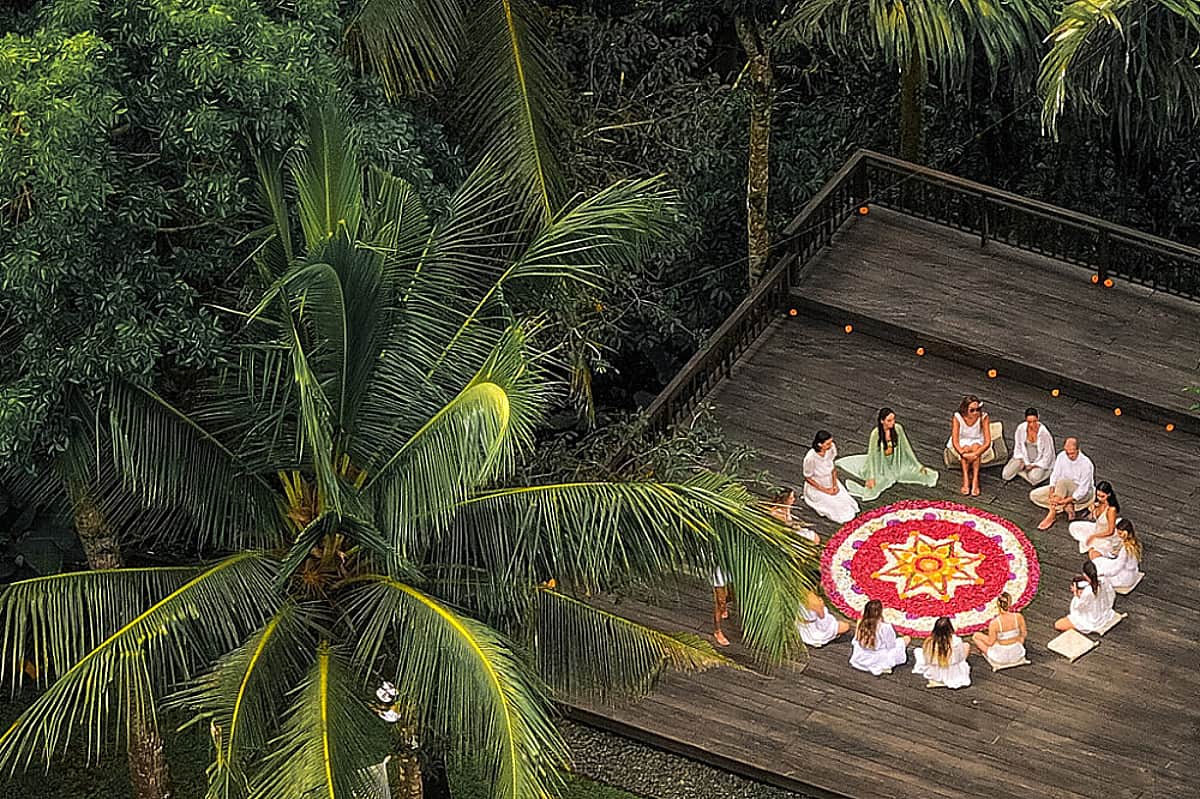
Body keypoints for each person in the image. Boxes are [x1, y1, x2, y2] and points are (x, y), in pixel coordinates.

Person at [837, 407, 938, 501]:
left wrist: (918, 465)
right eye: (889, 420)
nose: (892, 422)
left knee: (918, 474)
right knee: (878, 484)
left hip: (896, 462)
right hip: (881, 465)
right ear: (882, 421)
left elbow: (907, 448)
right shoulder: (875, 434)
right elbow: (872, 455)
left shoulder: (898, 428)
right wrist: (871, 477)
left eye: (893, 419)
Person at [1030, 437, 1095, 530]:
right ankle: (1066, 507)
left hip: (1080, 493)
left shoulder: (1086, 464)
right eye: (1067, 453)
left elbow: (1083, 490)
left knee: (1062, 483)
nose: (1070, 456)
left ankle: (1052, 514)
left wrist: (1063, 501)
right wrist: (1051, 492)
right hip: (1061, 490)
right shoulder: (1061, 456)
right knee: (1034, 495)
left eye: (1072, 453)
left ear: (1078, 450)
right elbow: (1055, 475)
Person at [803, 431, 860, 524]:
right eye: (827, 444)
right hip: (818, 485)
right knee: (834, 506)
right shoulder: (810, 458)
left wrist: (835, 484)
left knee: (845, 501)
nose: (831, 445)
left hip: (830, 480)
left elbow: (832, 467)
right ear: (820, 444)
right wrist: (825, 490)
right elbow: (808, 478)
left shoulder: (831, 448)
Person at [945, 395, 991, 496]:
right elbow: (955, 440)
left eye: (977, 409)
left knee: (976, 447)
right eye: (972, 410)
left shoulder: (983, 417)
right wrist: (963, 453)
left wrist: (975, 454)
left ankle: (975, 479)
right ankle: (966, 478)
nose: (975, 413)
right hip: (962, 440)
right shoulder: (958, 417)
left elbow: (987, 441)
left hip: (977, 439)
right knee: (965, 448)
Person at [1054, 560, 1117, 633]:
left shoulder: (1088, 591)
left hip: (1093, 620)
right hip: (1105, 612)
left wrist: (1076, 593)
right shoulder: (1103, 580)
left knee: (1058, 625)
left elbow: (1078, 607)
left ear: (1085, 574)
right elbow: (1111, 594)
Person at [849, 599, 909, 675]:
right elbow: (891, 645)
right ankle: (883, 665)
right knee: (906, 639)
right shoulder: (885, 627)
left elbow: (856, 640)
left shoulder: (860, 622)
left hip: (860, 657)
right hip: (878, 657)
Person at [913, 617, 971, 688]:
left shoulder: (929, 641)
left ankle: (937, 680)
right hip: (953, 673)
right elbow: (960, 658)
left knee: (918, 651)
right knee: (966, 645)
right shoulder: (956, 641)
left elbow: (926, 658)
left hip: (935, 672)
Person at [971, 592, 1027, 666]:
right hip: (1017, 653)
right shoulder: (1018, 617)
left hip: (1001, 657)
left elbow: (990, 642)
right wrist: (1016, 642)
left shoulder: (995, 623)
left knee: (976, 637)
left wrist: (979, 636)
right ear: (1009, 603)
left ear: (998, 605)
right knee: (999, 640)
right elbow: (1023, 634)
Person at [1002, 408, 1055, 485]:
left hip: (1038, 462)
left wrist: (1033, 465)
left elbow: (1048, 455)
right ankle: (1023, 471)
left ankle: (1022, 472)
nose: (1032, 425)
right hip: (1024, 458)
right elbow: (1018, 447)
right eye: (1029, 422)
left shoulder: (1045, 434)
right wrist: (1023, 461)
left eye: (1034, 421)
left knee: (1034, 477)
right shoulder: (1021, 428)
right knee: (1006, 474)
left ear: (1038, 418)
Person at [1069, 481, 1120, 555]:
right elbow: (1091, 518)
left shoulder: (1111, 510)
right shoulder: (1098, 503)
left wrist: (1094, 536)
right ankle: (1091, 542)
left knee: (1096, 544)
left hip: (1106, 535)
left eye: (1102, 496)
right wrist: (1092, 510)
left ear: (1108, 495)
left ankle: (1094, 544)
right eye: (1098, 495)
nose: (1099, 498)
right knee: (1073, 526)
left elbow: (1110, 531)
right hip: (1097, 528)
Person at [1091, 518, 1142, 591]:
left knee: (1101, 573)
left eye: (1119, 533)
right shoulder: (1136, 543)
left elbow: (1116, 569)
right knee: (1102, 562)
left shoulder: (1126, 549)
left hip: (1124, 578)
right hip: (1132, 573)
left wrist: (1102, 573)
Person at [712, 568, 731, 647]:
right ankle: (717, 631)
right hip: (719, 571)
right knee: (720, 602)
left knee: (731, 596)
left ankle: (724, 608)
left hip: (733, 568)